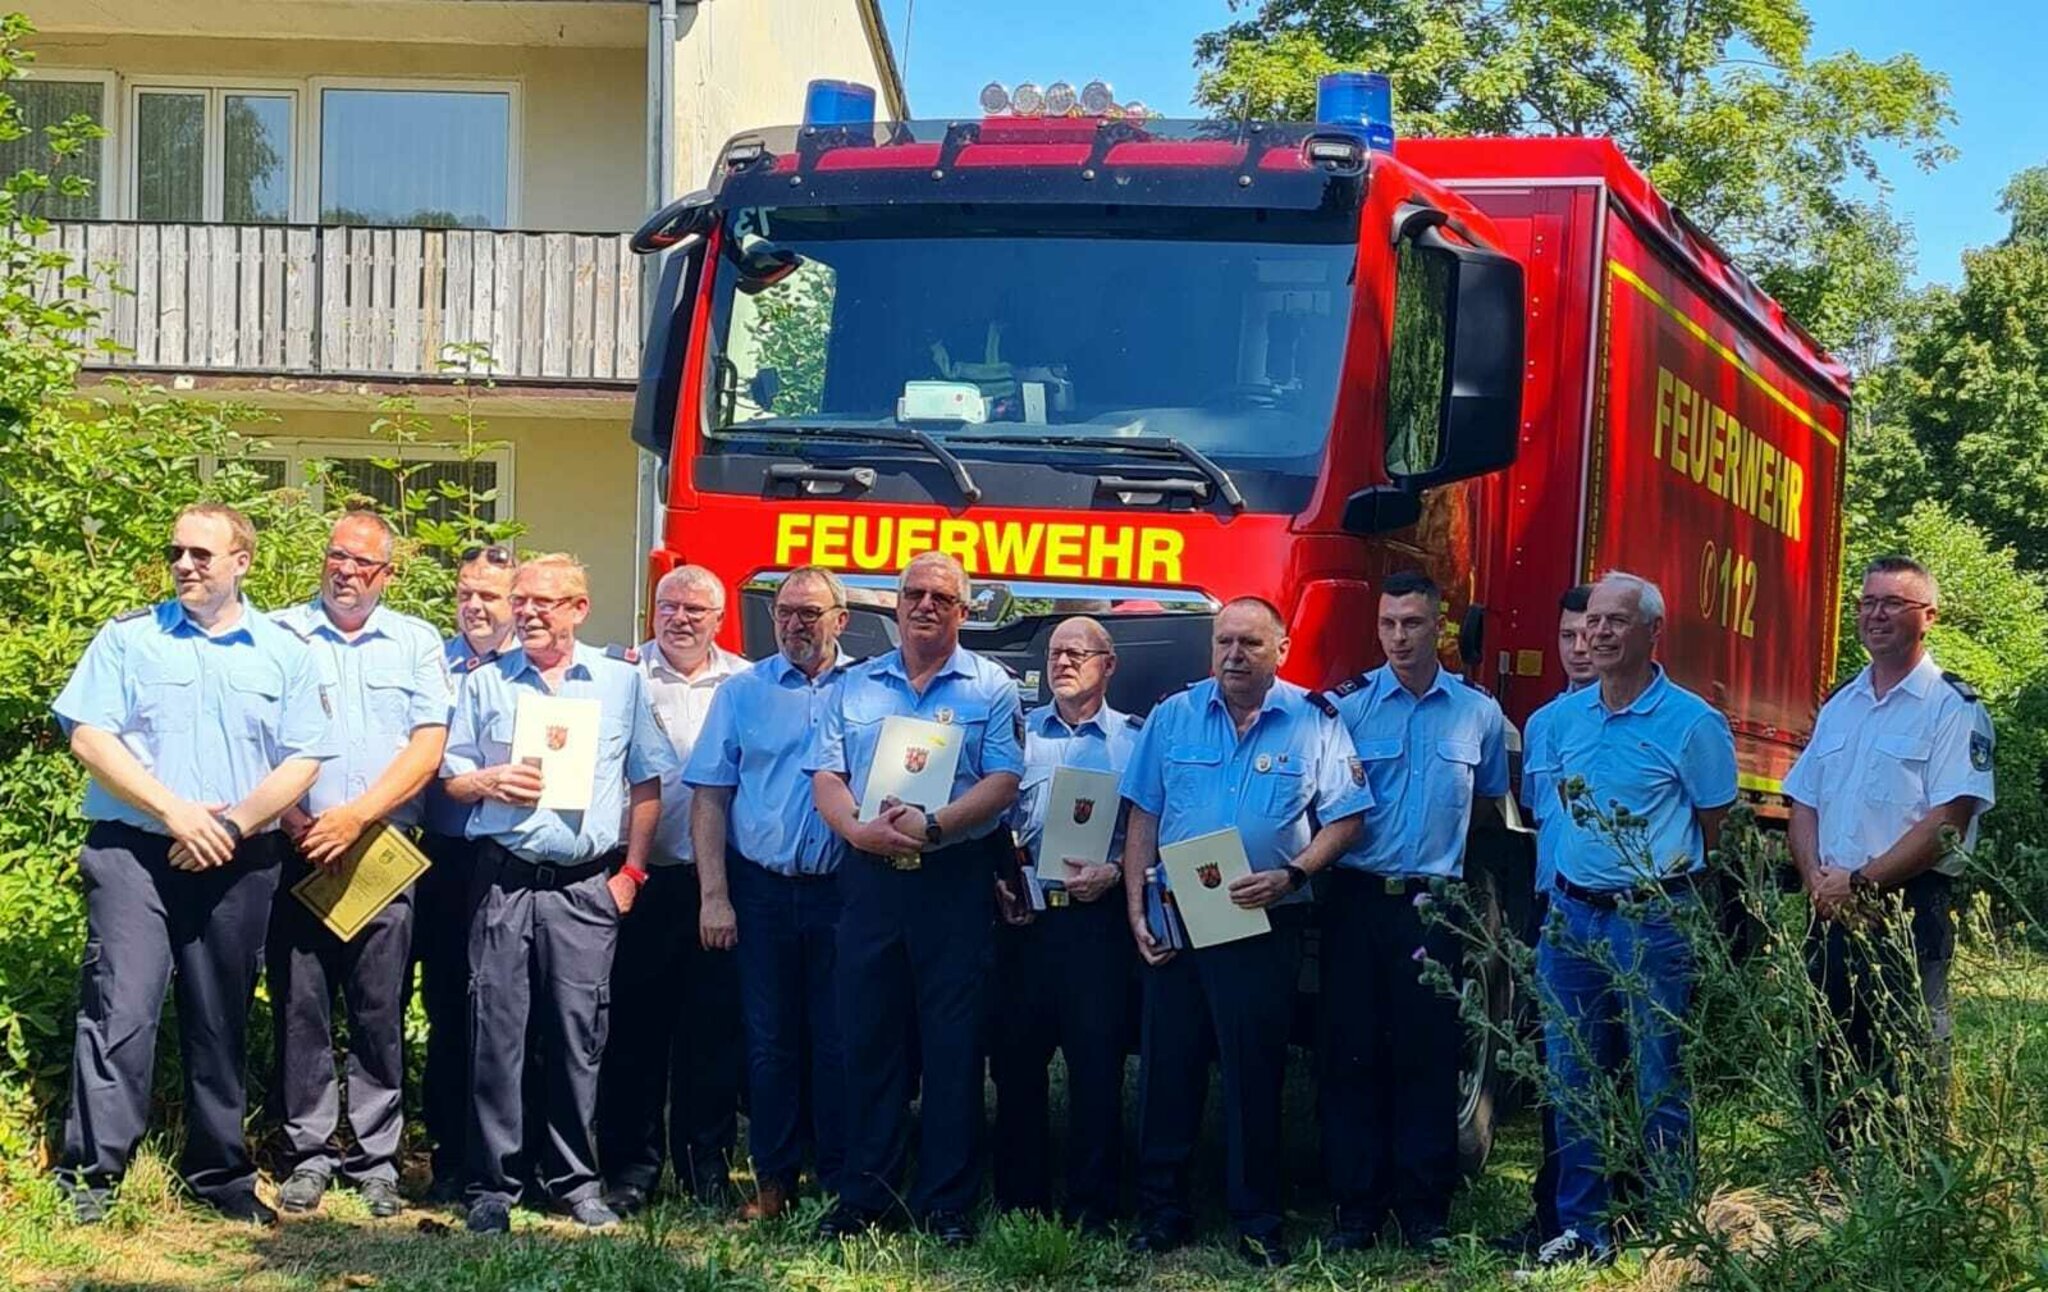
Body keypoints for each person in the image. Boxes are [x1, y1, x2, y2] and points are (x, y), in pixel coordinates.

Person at [52, 503, 334, 1225]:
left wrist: (233, 824)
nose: (184, 565)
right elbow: (88, 736)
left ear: (242, 561)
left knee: (221, 1020)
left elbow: (303, 756)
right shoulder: (129, 639)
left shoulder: (284, 650)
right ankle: (92, 1177)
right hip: (135, 852)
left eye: (201, 555)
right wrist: (176, 812)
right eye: (176, 552)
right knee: (121, 1008)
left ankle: (220, 1178)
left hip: (239, 857)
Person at [1119, 596, 1369, 1268]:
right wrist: (1136, 907)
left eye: (1250, 644)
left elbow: (1347, 820)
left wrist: (1292, 874)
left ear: (1280, 650)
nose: (1234, 655)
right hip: (1176, 921)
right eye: (1224, 642)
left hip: (1262, 922)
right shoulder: (1173, 717)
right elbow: (1144, 813)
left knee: (1252, 1076)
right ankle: (1161, 1212)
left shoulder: (1314, 722)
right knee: (1167, 1073)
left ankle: (1257, 1218)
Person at [440, 554, 678, 1234]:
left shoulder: (620, 684)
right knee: (497, 1034)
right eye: (522, 601)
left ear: (579, 607)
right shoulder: (487, 686)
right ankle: (493, 1186)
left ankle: (575, 1181)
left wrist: (631, 874)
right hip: (505, 880)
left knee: (580, 1036)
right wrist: (489, 782)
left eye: (546, 602)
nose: (531, 613)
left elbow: (646, 785)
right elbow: (451, 780)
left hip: (584, 888)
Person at [806, 551, 1024, 1245]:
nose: (926, 605)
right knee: (867, 1039)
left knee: (954, 1047)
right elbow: (828, 774)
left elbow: (1003, 781)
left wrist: (933, 827)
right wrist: (856, 831)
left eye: (942, 597)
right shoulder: (855, 686)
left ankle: (945, 1203)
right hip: (870, 880)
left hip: (950, 882)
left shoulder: (990, 687)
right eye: (914, 594)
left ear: (963, 611)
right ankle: (865, 1195)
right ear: (895, 606)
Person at [1531, 571, 1736, 1268]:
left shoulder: (1694, 723)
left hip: (1653, 921)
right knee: (1572, 1075)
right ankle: (1581, 1230)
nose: (1599, 633)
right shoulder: (1558, 722)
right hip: (1570, 920)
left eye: (1617, 621)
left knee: (1658, 1078)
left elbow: (1713, 827)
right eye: (1592, 621)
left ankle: (1672, 1230)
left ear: (1654, 631)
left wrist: (1661, 893)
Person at [267, 511, 450, 1218]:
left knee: (380, 1009)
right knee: (301, 1005)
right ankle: (307, 1154)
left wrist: (356, 816)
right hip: (296, 845)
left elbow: (427, 747)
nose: (345, 571)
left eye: (363, 563)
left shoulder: (414, 641)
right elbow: (258, 732)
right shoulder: (280, 634)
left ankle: (376, 1160)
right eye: (336, 556)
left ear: (388, 575)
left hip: (380, 850)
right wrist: (292, 816)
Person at [1322, 572, 1508, 1249]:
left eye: (1413, 623)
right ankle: (1357, 1209)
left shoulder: (1478, 713)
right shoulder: (1345, 709)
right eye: (1389, 624)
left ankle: (1426, 1210)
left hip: (1434, 906)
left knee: (1429, 1056)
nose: (1399, 636)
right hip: (1356, 899)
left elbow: (1488, 802)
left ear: (1441, 628)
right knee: (1352, 1055)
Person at [1785, 555, 1993, 1135]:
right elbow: (1804, 801)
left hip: (1903, 905)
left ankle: (1906, 1190)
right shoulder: (1841, 705)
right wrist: (1819, 883)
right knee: (1827, 1054)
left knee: (1908, 1054)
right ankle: (1830, 1185)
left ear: (1928, 616)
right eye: (1867, 602)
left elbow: (1949, 816)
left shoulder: (1953, 707)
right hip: (1830, 904)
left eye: (1892, 603)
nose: (1875, 614)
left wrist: (1862, 882)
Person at [684, 565, 857, 1221]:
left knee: (842, 1038)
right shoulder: (742, 692)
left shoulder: (868, 689)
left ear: (840, 620)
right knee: (769, 1042)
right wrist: (713, 895)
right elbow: (710, 796)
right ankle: (775, 1181)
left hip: (844, 890)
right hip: (760, 891)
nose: (794, 624)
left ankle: (843, 1182)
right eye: (785, 612)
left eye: (810, 613)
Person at [597, 566, 748, 1214]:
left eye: (695, 609)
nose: (680, 618)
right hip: (642, 877)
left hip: (718, 880)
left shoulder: (745, 682)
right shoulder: (620, 674)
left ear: (718, 618)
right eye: (669, 605)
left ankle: (704, 1168)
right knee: (633, 1032)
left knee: (711, 1034)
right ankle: (630, 1171)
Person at [991, 617, 1142, 1235]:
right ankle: (1019, 1202)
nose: (1063, 663)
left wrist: (1113, 872)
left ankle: (1093, 1205)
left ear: (1109, 664)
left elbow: (1148, 827)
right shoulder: (1017, 737)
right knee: (1016, 1064)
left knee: (1096, 1063)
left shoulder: (1135, 740)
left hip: (1095, 924)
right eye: (1055, 653)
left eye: (1078, 653)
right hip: (1025, 921)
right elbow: (994, 820)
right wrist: (996, 879)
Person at [414, 542, 519, 1201]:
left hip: (507, 859)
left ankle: (510, 1158)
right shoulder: (430, 667)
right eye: (465, 594)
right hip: (439, 856)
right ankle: (449, 1156)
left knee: (507, 1012)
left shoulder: (539, 671)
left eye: (490, 596)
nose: (475, 606)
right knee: (447, 1004)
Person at [1512, 582, 1597, 1249]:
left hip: (1625, 915)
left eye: (1592, 635)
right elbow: (1539, 818)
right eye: (1567, 636)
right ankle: (1555, 1214)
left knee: (1625, 1067)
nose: (1579, 649)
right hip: (1556, 910)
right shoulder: (1542, 724)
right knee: (1560, 1069)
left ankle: (1625, 1211)